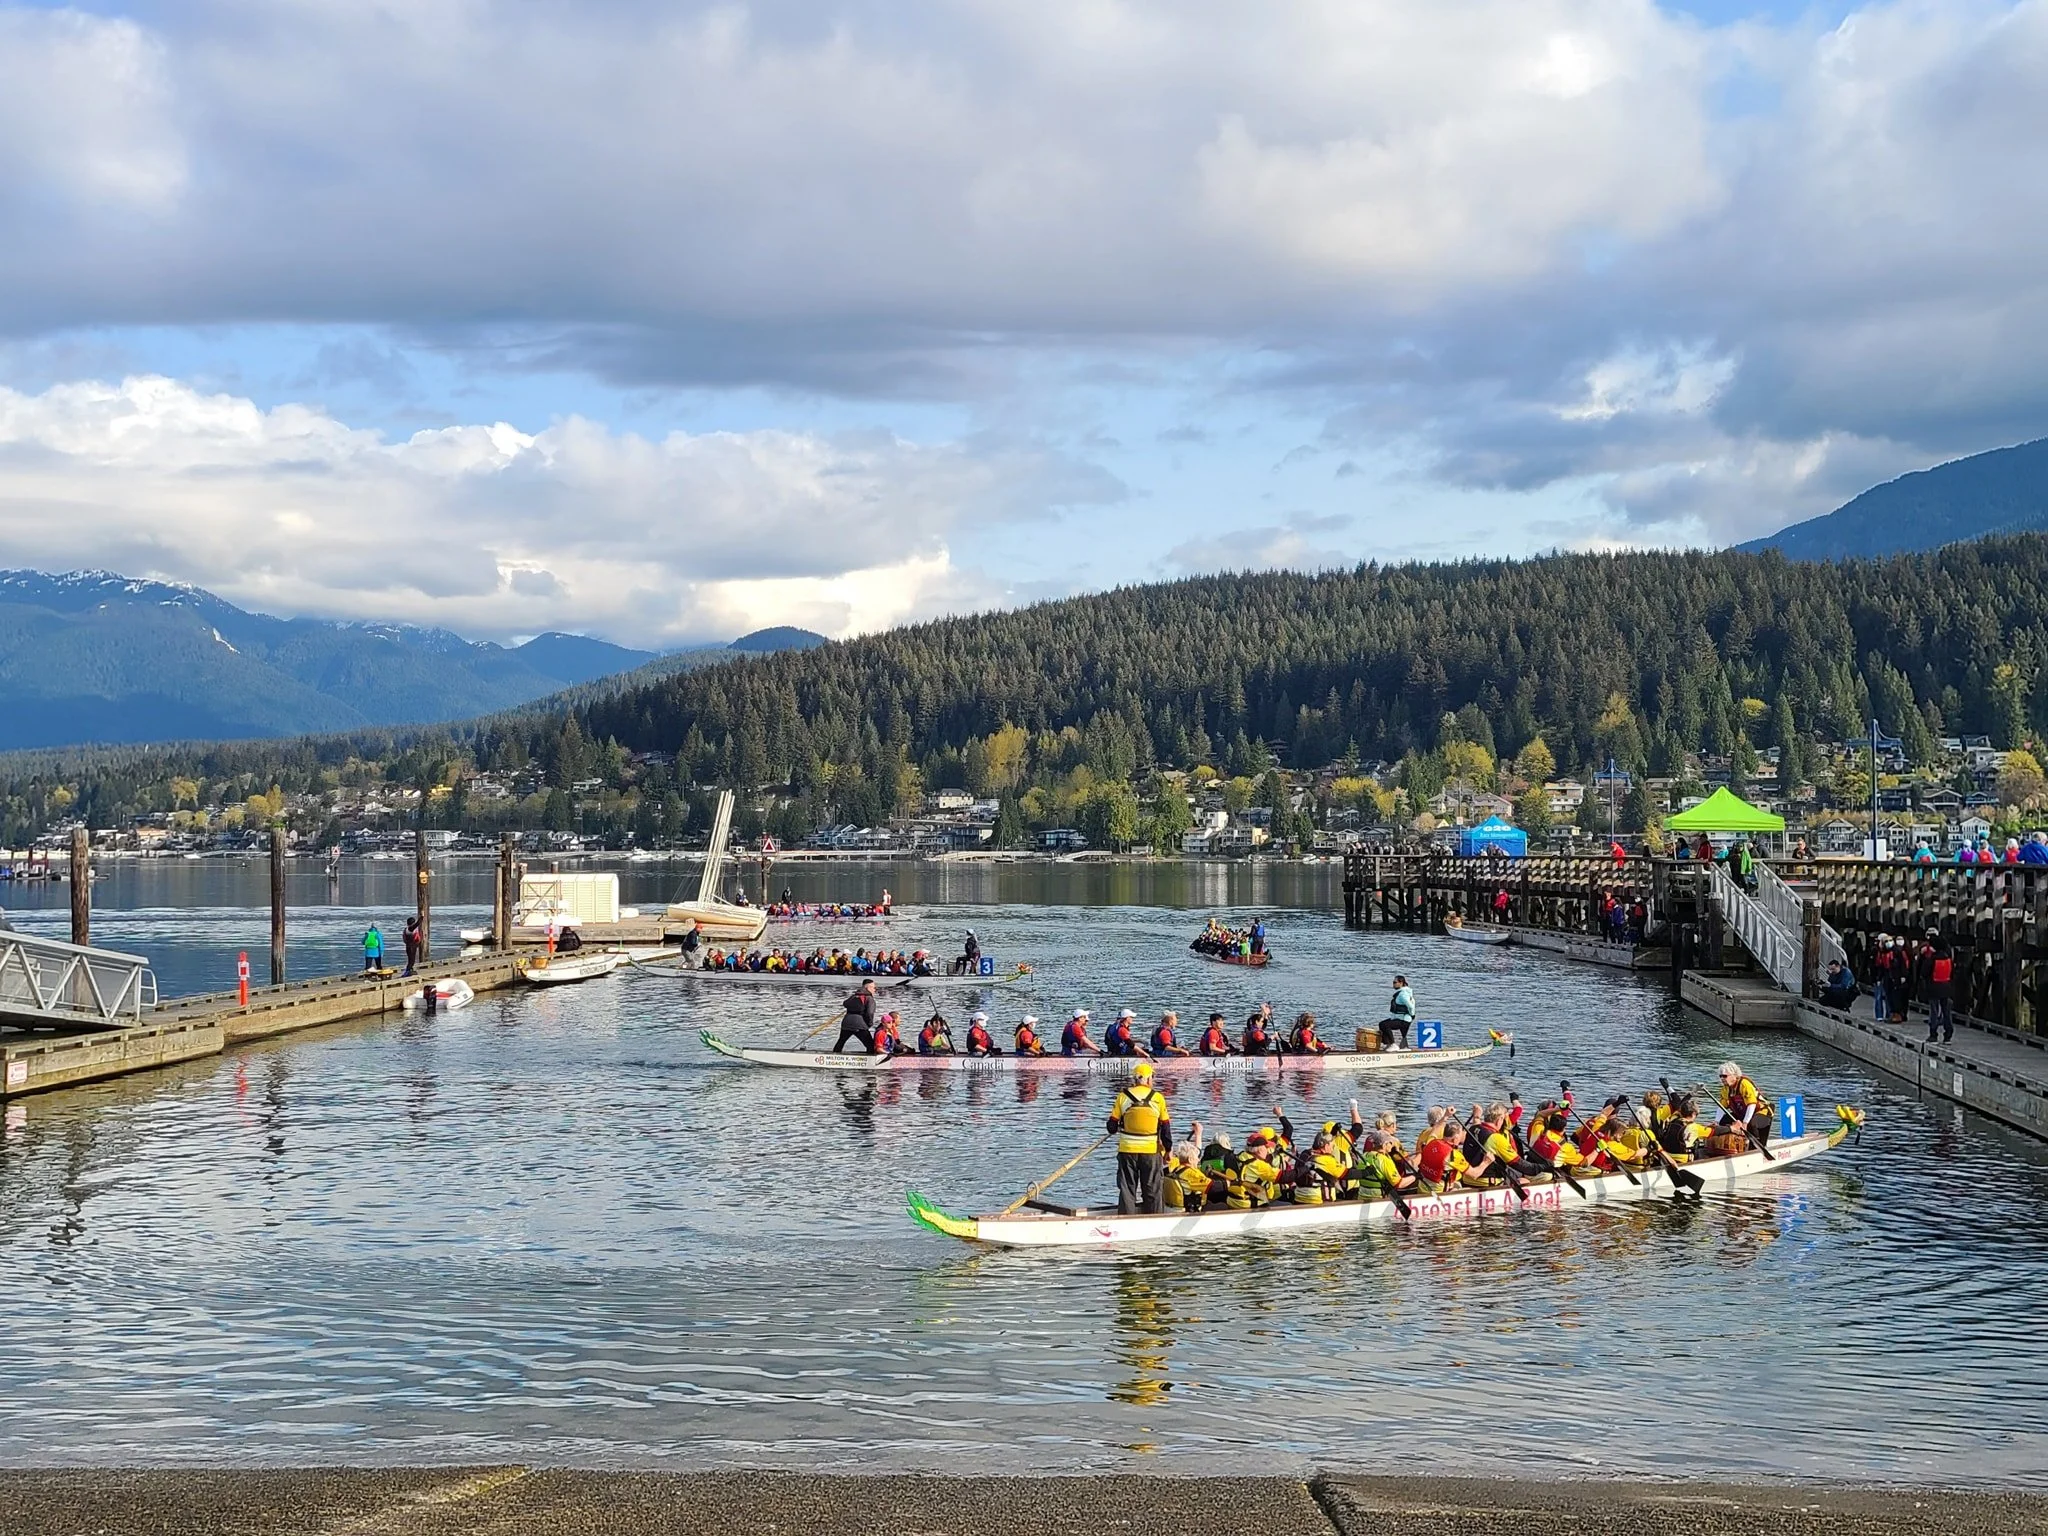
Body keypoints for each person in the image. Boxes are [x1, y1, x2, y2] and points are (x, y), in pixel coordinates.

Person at [1108, 1062, 1171, 1214]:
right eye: (1152, 1078)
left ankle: (1126, 1218)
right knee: (1152, 1189)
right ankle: (1154, 1218)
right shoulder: (1158, 1098)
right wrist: (1168, 1150)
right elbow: (1166, 1129)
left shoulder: (1122, 1097)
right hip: (1150, 1152)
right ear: (1149, 1080)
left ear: (1135, 1080)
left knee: (1127, 1188)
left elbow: (1111, 1127)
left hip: (1127, 1150)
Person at [1715, 1061, 1772, 1149]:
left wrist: (1745, 1123)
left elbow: (1751, 1104)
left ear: (1734, 1075)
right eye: (1721, 1076)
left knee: (1752, 1124)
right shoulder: (1725, 1089)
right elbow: (1722, 1107)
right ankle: (1731, 1144)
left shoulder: (1744, 1084)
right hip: (1743, 1113)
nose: (1722, 1079)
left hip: (1763, 1112)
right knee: (1724, 1121)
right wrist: (1716, 1122)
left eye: (1725, 1076)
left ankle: (1755, 1147)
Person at [831, 978, 880, 1053]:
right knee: (870, 1045)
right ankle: (870, 1060)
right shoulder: (869, 999)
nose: (875, 990)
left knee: (841, 1042)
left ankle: (834, 1056)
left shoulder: (854, 996)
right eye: (874, 988)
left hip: (846, 1022)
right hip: (859, 1024)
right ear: (868, 988)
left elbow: (845, 1004)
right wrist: (869, 1024)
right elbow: (870, 1013)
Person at [1923, 933, 1955, 1043]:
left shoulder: (1932, 959)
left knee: (1934, 1011)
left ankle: (1933, 1034)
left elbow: (1924, 973)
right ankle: (1948, 1034)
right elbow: (1952, 973)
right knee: (1946, 1012)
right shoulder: (1948, 959)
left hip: (1934, 987)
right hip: (1946, 987)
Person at [1382, 975, 1415, 1049]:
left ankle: (1393, 1044)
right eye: (1393, 982)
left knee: (1385, 1025)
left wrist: (1412, 1015)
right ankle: (1393, 1045)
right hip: (1399, 1018)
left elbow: (1410, 1006)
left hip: (1403, 1020)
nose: (1393, 984)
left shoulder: (1403, 994)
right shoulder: (1402, 993)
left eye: (1395, 982)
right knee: (1382, 1024)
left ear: (1401, 983)